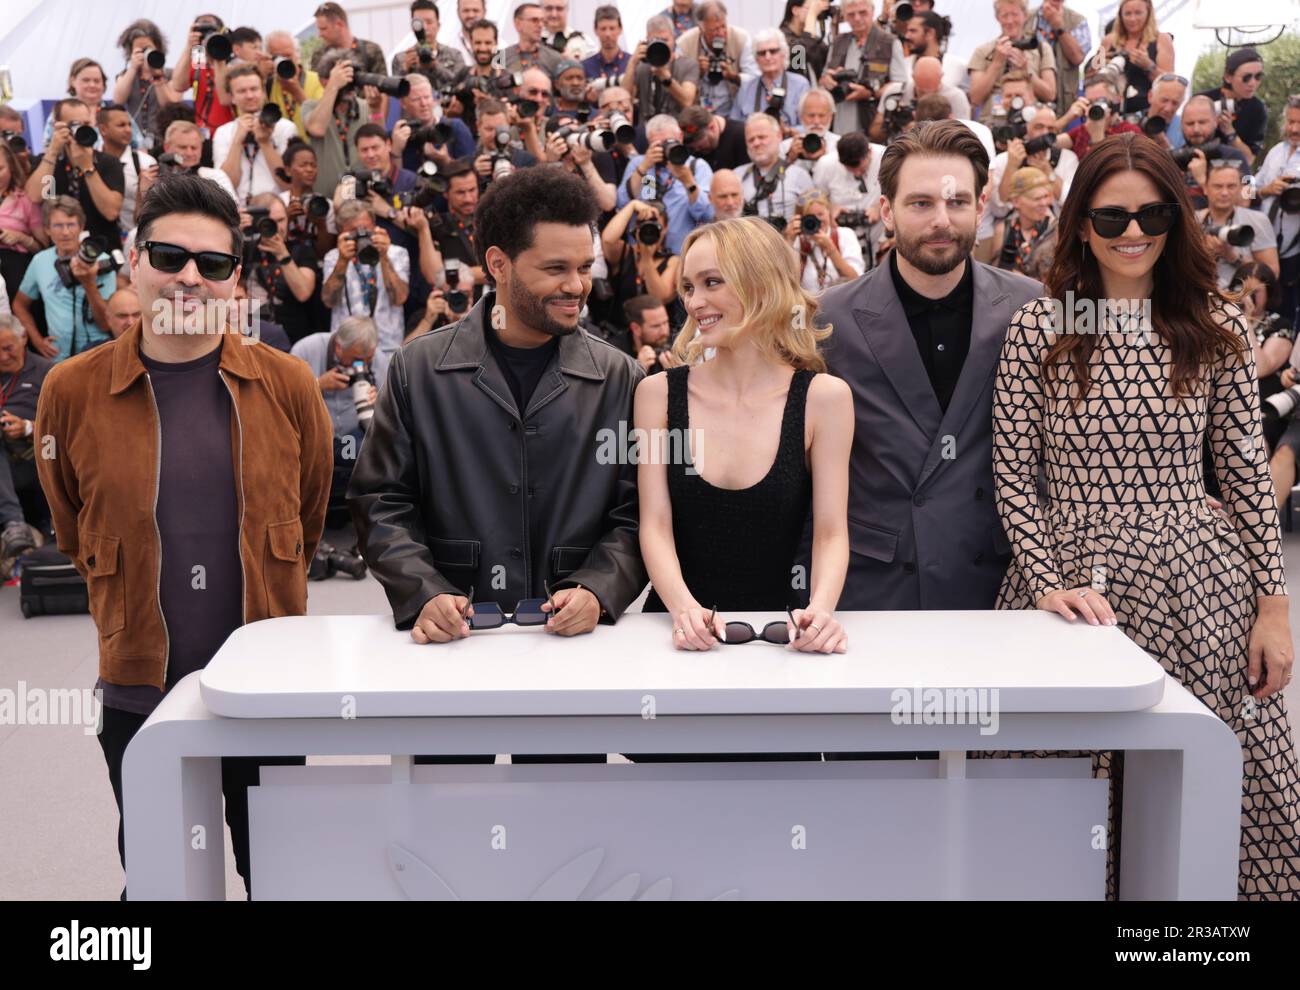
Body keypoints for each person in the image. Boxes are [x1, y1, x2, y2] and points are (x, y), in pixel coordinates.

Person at [990, 132, 1297, 899]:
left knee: (1210, 788)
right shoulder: (1040, 328)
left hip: (1198, 584)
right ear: (1081, 226)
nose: (1133, 233)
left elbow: (1245, 475)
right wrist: (1044, 582)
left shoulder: (1218, 324)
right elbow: (1014, 476)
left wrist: (1273, 607)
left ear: (1175, 219)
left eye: (1152, 214)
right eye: (1112, 217)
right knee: (1064, 795)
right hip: (1069, 592)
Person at [34, 173, 332, 899]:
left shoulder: (288, 383)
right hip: (140, 692)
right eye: (169, 257)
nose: (190, 277)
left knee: (281, 878)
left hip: (267, 691)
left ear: (235, 279)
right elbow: (72, 525)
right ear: (135, 262)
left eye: (213, 263)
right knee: (160, 881)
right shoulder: (70, 390)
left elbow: (310, 511)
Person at [348, 165, 646, 656]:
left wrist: (598, 587)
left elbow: (639, 513)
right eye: (556, 268)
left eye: (584, 267)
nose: (577, 286)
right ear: (498, 264)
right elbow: (381, 501)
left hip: (581, 645)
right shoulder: (416, 370)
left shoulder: (622, 377)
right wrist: (425, 591)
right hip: (454, 642)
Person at [814, 119, 1041, 612]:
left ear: (981, 206)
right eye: (921, 203)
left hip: (999, 587)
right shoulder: (827, 319)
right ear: (886, 211)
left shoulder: (1032, 308)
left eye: (957, 202)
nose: (942, 220)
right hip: (874, 592)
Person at [637, 212, 852, 657]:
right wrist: (685, 611)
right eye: (689, 287)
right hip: (673, 640)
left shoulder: (824, 399)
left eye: (712, 282)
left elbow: (831, 532)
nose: (694, 302)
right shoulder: (656, 395)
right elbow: (654, 524)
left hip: (782, 639)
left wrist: (821, 612)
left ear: (761, 285)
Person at [12, 197, 116, 362]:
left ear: (81, 227)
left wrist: (89, 284)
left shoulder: (102, 261)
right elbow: (19, 304)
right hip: (58, 358)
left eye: (71, 225)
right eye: (58, 226)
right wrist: (37, 341)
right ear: (47, 229)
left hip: (98, 354)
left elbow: (106, 324)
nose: (65, 232)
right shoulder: (40, 261)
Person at [25, 99, 125, 248]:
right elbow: (35, 196)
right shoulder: (48, 163)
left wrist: (88, 167)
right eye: (74, 124)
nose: (81, 129)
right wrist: (52, 151)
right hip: (59, 250)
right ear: (57, 126)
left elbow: (111, 212)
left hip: (102, 248)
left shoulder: (108, 162)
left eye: (86, 124)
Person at [320, 200, 410, 364]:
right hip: (346, 349)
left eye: (366, 229)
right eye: (354, 232)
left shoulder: (396, 253)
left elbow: (400, 298)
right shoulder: (334, 257)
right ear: (341, 233)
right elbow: (328, 301)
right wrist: (342, 261)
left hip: (387, 347)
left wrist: (384, 257)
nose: (362, 236)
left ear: (375, 227)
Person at [617, 114, 714, 255]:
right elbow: (622, 204)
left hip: (682, 255)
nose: (665, 149)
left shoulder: (697, 167)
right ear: (649, 143)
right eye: (658, 145)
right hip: (642, 256)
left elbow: (708, 215)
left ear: (681, 137)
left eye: (669, 142)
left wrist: (689, 182)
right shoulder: (639, 164)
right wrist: (643, 168)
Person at [0, 316, 52, 561]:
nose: (2, 357)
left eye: (7, 348)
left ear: (23, 338)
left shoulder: (48, 373)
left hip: (33, 458)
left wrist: (28, 428)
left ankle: (14, 523)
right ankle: (14, 525)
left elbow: (71, 429)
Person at [212, 65, 299, 207]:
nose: (249, 96)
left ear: (263, 92)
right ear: (232, 97)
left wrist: (265, 142)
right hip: (239, 209)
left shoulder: (285, 128)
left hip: (277, 208)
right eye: (241, 91)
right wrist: (237, 141)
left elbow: (288, 183)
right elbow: (224, 187)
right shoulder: (223, 132)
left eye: (254, 89)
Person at [820, 0, 908, 136]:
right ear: (844, 16)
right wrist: (827, 80)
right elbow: (824, 77)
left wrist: (870, 93)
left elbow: (900, 84)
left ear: (872, 11)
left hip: (873, 124)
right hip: (838, 121)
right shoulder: (838, 41)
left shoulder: (890, 42)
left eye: (863, 13)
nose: (857, 18)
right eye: (851, 14)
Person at [243, 192, 319, 344]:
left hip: (293, 339)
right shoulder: (244, 249)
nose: (277, 228)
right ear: (256, 222)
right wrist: (233, 232)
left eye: (281, 220)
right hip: (252, 337)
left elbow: (303, 293)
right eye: (270, 222)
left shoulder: (301, 250)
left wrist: (282, 254)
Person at [303, 48, 379, 196]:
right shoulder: (311, 106)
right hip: (326, 200)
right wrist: (334, 85)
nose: (349, 86)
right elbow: (317, 128)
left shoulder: (364, 106)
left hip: (360, 197)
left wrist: (376, 109)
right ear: (323, 81)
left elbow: (378, 140)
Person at [967, 0, 1057, 120]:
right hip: (992, 122)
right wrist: (996, 63)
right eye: (1005, 15)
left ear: (1025, 16)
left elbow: (1050, 95)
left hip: (1030, 121)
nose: (1010, 21)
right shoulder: (983, 51)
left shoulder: (1041, 49)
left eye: (1015, 14)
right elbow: (975, 99)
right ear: (997, 18)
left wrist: (1026, 72)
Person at [1255, 95, 1300, 330]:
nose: (1294, 129)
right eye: (1291, 122)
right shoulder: (1275, 152)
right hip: (1264, 244)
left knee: (1289, 313)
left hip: (1294, 250)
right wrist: (1266, 189)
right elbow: (1247, 188)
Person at [1196, 162, 1278, 289]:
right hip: (1198, 293)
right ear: (1205, 188)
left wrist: (1234, 257)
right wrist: (1201, 253)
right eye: (1218, 186)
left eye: (1231, 186)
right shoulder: (1192, 220)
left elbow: (1272, 273)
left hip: (1241, 296)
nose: (1224, 192)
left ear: (1240, 189)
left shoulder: (1257, 220)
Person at [1085, 0, 1173, 117]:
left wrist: (1149, 66)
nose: (1132, 19)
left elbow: (1170, 84)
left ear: (1148, 13)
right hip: (1110, 111)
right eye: (1127, 14)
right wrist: (1102, 63)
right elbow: (1090, 75)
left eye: (1138, 13)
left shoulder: (1162, 40)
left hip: (1143, 111)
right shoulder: (1109, 40)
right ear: (1120, 16)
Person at [677, 1, 759, 119]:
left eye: (723, 26)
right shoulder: (684, 43)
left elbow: (755, 78)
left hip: (734, 114)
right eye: (714, 29)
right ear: (701, 28)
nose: (721, 33)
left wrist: (734, 76)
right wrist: (695, 73)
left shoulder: (741, 38)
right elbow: (677, 87)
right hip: (697, 116)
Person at [736, 112, 813, 224]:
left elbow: (811, 218)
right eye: (751, 140)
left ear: (779, 136)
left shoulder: (799, 175)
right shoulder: (737, 176)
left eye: (762, 137)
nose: (756, 143)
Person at [1195, 46, 1267, 166]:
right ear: (1228, 77)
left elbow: (1248, 159)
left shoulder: (1257, 109)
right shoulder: (1202, 100)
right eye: (1246, 78)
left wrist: (1230, 132)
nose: (1253, 83)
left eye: (1258, 76)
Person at [169, 13, 235, 138]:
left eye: (211, 30)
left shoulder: (230, 62)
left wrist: (219, 48)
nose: (206, 35)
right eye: (201, 31)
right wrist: (189, 47)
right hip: (202, 133)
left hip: (227, 133)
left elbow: (226, 99)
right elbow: (178, 85)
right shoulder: (199, 60)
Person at [113, 20, 177, 149]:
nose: (144, 53)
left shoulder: (170, 75)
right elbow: (118, 100)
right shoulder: (126, 75)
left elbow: (170, 106)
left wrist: (157, 76)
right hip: (134, 141)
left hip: (163, 140)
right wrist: (133, 68)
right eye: (139, 50)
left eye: (148, 48)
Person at [730, 29, 810, 131]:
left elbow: (810, 126)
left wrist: (788, 131)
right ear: (756, 59)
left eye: (773, 51)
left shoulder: (800, 85)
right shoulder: (746, 88)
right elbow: (734, 127)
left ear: (784, 54)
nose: (768, 57)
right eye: (762, 53)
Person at [786, 189, 864, 291]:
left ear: (829, 212)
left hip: (841, 298)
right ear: (800, 219)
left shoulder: (845, 235)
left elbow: (857, 281)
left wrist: (831, 249)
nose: (817, 220)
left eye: (820, 214)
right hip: (808, 299)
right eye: (810, 217)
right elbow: (782, 282)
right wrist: (788, 241)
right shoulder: (796, 241)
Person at [625, 15, 699, 123]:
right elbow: (625, 100)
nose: (661, 44)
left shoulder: (688, 65)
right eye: (656, 40)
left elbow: (687, 101)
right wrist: (632, 63)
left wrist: (666, 78)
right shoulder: (641, 66)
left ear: (674, 38)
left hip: (677, 126)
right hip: (647, 127)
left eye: (665, 40)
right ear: (647, 39)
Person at [146, 119, 238, 205]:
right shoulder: (151, 176)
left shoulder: (215, 176)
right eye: (183, 147)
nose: (189, 153)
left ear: (201, 149)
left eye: (194, 148)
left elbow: (234, 210)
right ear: (167, 147)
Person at [990, 166, 1057, 279]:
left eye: (1046, 196)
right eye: (1037, 198)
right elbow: (993, 275)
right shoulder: (1003, 231)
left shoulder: (1056, 231)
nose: (1044, 203)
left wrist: (1024, 282)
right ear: (1016, 201)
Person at [0, 142, 47, 303]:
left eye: (0, 168)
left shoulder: (26, 200)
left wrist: (20, 238)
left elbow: (43, 247)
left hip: (16, 269)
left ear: (11, 168)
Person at [1058, 71, 1142, 161]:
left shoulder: (1129, 132)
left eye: (1100, 101)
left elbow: (1106, 167)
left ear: (1117, 102)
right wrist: (1066, 118)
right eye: (1090, 102)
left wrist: (1097, 137)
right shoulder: (1085, 129)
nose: (1094, 107)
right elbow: (1050, 143)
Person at [1025, 2, 1088, 118]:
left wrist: (1059, 27)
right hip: (1029, 101)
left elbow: (1077, 57)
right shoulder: (1026, 17)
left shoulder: (1078, 21)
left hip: (1065, 103)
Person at [393, 0, 467, 91]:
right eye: (419, 23)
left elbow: (461, 85)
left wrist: (435, 67)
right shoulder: (401, 58)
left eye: (429, 22)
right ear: (412, 27)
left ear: (438, 25)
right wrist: (405, 69)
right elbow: (395, 92)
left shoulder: (454, 55)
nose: (424, 27)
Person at [265, 32, 326, 142]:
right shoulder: (267, 85)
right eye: (277, 57)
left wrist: (296, 91)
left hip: (312, 148)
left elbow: (321, 121)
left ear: (297, 54)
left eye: (287, 56)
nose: (284, 61)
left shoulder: (318, 80)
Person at [779, 88, 841, 172]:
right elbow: (777, 175)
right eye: (811, 115)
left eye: (822, 115)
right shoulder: (785, 147)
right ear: (801, 116)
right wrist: (789, 159)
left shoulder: (840, 146)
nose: (816, 121)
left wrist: (825, 158)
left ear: (831, 116)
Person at [679, 105, 748, 173]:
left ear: (712, 127)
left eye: (700, 146)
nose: (697, 150)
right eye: (692, 148)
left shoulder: (741, 137)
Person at [501, 3, 563, 76]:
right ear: (518, 23)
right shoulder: (502, 57)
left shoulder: (554, 58)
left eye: (542, 21)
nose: (540, 25)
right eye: (534, 20)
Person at [781, 0, 833, 83]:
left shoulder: (815, 40)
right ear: (795, 10)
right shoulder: (781, 39)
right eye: (811, 8)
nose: (816, 13)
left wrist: (834, 26)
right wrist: (811, 16)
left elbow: (830, 61)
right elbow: (800, 57)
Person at [583, 6, 631, 92]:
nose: (607, 34)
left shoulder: (632, 62)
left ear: (620, 29)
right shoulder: (585, 67)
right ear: (595, 30)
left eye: (612, 28)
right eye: (603, 29)